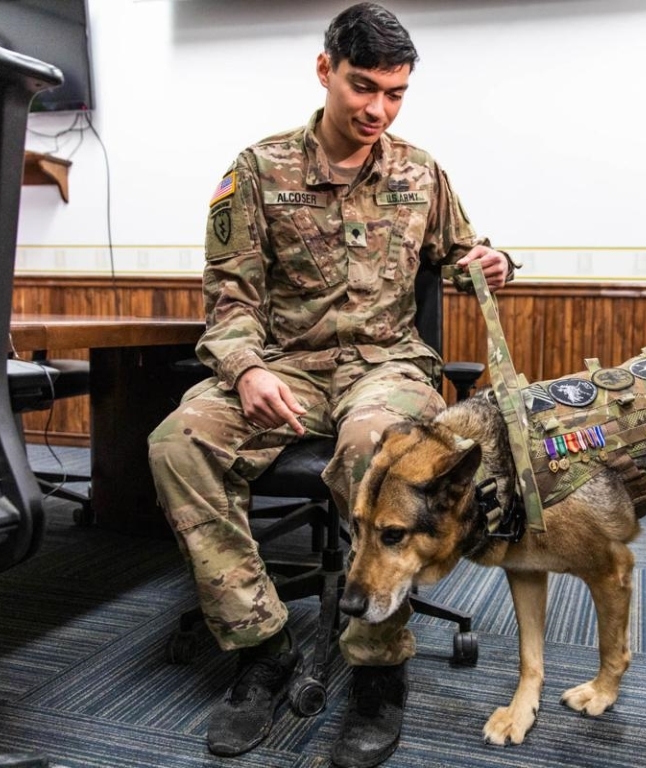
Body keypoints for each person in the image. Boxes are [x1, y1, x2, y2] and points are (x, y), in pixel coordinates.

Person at [147, 4, 513, 766]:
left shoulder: (421, 171)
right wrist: (245, 369)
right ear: (325, 71)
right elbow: (229, 305)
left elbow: (466, 251)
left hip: (388, 369)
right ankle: (263, 645)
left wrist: (497, 263)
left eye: (397, 92)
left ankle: (378, 676)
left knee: (374, 449)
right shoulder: (256, 170)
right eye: (363, 87)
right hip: (286, 368)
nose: (379, 108)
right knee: (178, 442)